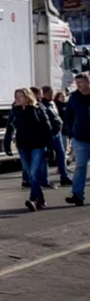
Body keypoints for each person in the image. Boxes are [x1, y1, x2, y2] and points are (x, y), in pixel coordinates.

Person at [4, 88, 58, 211]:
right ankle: (41, 199)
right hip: (23, 145)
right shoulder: (15, 111)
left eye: (20, 96)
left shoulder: (38, 109)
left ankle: (33, 199)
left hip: (37, 145)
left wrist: (50, 147)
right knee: (30, 174)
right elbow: (9, 128)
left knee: (34, 173)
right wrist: (7, 143)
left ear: (27, 97)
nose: (17, 99)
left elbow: (47, 127)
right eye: (16, 96)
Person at [66, 72, 90, 207]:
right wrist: (71, 133)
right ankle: (77, 195)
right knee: (80, 167)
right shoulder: (74, 98)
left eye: (81, 82)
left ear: (88, 82)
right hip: (80, 137)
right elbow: (68, 116)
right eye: (77, 83)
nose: (79, 85)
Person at [39, 86, 71, 185]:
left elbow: (56, 116)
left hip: (57, 133)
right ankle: (45, 179)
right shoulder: (41, 105)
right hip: (48, 133)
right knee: (47, 157)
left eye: (52, 92)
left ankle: (64, 176)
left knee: (61, 154)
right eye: (49, 92)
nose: (51, 94)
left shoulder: (52, 103)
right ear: (43, 94)